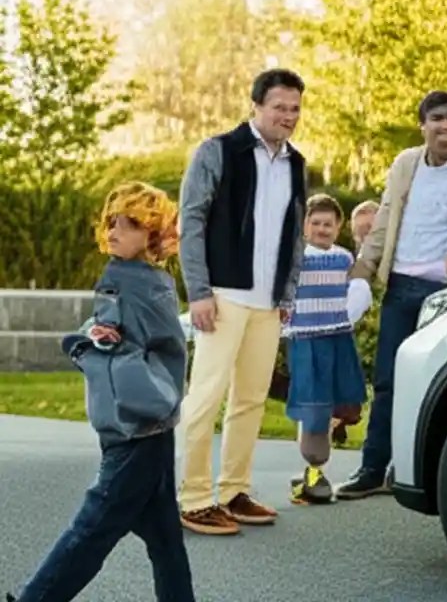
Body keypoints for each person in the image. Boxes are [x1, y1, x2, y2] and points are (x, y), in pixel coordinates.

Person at [8, 183, 194, 602]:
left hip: (133, 430)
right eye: (111, 223)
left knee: (90, 532)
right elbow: (146, 342)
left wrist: (87, 346)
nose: (114, 232)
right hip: (154, 426)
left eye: (128, 225)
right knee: (165, 541)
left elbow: (137, 350)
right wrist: (96, 337)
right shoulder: (149, 280)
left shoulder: (129, 282)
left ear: (150, 234)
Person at [336, 90, 447, 499]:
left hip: (445, 292)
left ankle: (421, 473)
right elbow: (386, 218)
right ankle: (373, 468)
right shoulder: (405, 164)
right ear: (423, 125)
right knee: (389, 380)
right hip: (400, 286)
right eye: (439, 119)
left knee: (437, 383)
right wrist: (362, 271)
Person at [176, 68, 308, 535]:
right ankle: (193, 499)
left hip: (267, 302)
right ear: (256, 105)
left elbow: (295, 236)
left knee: (250, 400)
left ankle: (233, 491)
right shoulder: (219, 151)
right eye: (279, 107)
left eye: (294, 108)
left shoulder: (295, 163)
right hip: (222, 296)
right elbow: (190, 222)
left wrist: (286, 294)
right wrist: (199, 292)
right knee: (205, 398)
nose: (288, 116)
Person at [284, 194, 373, 504]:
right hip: (306, 340)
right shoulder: (295, 257)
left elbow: (358, 290)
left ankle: (315, 466)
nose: (322, 229)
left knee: (341, 401)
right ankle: (312, 471)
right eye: (316, 223)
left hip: (337, 338)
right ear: (305, 226)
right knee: (313, 403)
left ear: (338, 227)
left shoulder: (345, 258)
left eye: (328, 224)